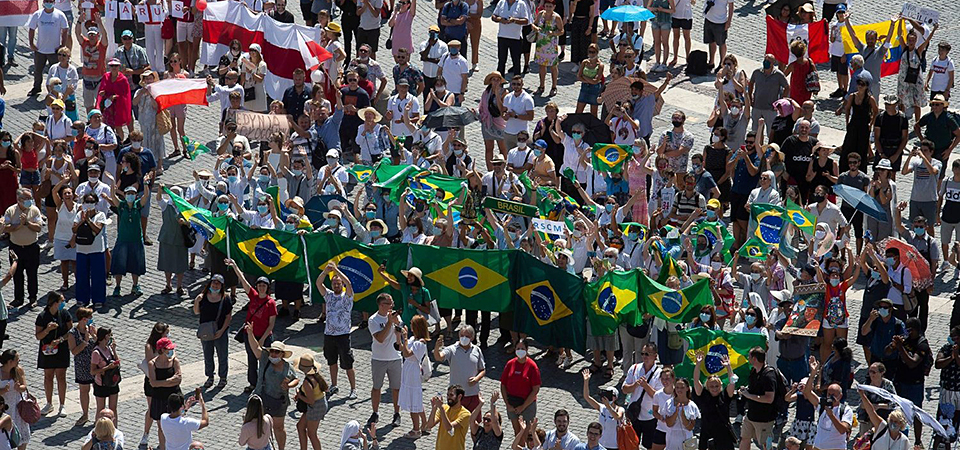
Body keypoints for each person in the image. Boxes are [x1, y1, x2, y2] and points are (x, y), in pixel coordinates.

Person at [225, 258, 278, 394]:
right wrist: (235, 266)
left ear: (267, 288)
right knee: (251, 360)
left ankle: (265, 384)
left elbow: (271, 324)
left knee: (265, 362)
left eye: (264, 285)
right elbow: (243, 280)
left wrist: (261, 340)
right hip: (250, 334)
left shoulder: (270, 303)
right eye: (259, 285)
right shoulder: (253, 296)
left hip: (264, 337)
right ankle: (253, 384)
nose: (261, 287)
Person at [246, 331, 298, 450]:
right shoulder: (265, 359)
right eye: (272, 351)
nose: (273, 354)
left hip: (279, 401)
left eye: (277, 352)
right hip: (261, 398)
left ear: (282, 354)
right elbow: (255, 347)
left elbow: (296, 379)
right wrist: (250, 333)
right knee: (258, 426)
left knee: (278, 428)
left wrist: (289, 385)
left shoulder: (287, 367)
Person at [317, 262, 357, 399]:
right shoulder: (328, 296)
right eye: (334, 283)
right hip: (329, 335)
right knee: (331, 361)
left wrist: (337, 271)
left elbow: (349, 284)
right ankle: (334, 385)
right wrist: (326, 271)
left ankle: (353, 389)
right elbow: (318, 283)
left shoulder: (347, 296)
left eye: (338, 283)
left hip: (343, 335)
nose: (336, 285)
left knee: (347, 363)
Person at [368, 293, 403, 428]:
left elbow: (400, 331)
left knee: (396, 388)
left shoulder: (395, 317)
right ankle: (375, 412)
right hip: (379, 359)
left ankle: (396, 413)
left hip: (395, 357)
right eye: (390, 303)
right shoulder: (373, 320)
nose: (392, 306)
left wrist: (400, 329)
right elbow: (380, 338)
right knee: (377, 387)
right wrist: (389, 323)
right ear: (382, 305)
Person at [433, 325, 486, 413]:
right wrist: (436, 348)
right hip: (456, 396)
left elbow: (482, 370)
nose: (464, 338)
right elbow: (439, 357)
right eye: (462, 336)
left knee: (475, 423)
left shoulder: (477, 350)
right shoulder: (451, 349)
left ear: (472, 337)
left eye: (467, 336)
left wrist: (476, 379)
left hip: (473, 394)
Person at [803, 359, 853, 450]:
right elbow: (807, 393)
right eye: (829, 394)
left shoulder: (846, 410)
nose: (831, 397)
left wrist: (831, 415)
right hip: (818, 447)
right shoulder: (822, 404)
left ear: (840, 396)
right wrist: (813, 374)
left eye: (834, 394)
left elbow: (842, 430)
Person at [4, 188, 41, 308]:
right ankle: (18, 299)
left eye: (30, 198)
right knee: (17, 274)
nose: (29, 201)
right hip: (16, 248)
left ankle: (32, 298)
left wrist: (27, 223)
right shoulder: (11, 210)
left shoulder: (34, 210)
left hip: (31, 247)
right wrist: (19, 225)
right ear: (19, 199)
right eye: (26, 198)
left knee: (32, 274)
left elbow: (39, 228)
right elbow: (6, 228)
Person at [692, 351, 736, 450]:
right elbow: (695, 380)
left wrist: (728, 367)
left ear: (720, 386)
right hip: (707, 434)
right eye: (711, 386)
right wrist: (698, 364)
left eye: (716, 386)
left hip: (723, 435)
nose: (714, 388)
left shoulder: (725, 395)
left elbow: (732, 382)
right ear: (707, 386)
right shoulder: (703, 394)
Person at [27, 0, 70, 97]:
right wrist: (31, 43)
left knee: (56, 71)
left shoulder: (60, 15)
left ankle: (56, 89)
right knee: (38, 71)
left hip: (54, 50)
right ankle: (36, 87)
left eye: (51, 1)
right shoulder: (37, 14)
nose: (49, 3)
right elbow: (32, 29)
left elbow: (65, 29)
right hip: (40, 50)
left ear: (54, 2)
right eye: (47, 1)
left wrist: (62, 45)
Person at [74, 191, 108, 308]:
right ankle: (82, 299)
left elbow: (98, 229)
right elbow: (74, 229)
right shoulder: (79, 215)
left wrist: (88, 221)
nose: (89, 204)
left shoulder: (101, 215)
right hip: (81, 250)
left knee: (98, 276)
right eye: (87, 202)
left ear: (96, 203)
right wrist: (82, 220)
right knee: (81, 276)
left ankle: (98, 299)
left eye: (91, 202)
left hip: (97, 250)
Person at [398, 315, 430, 437]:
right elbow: (402, 348)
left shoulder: (420, 343)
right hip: (408, 370)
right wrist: (399, 336)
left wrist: (405, 338)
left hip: (413, 371)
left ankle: (416, 430)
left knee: (413, 402)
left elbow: (406, 353)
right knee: (417, 400)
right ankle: (425, 423)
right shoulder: (413, 339)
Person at [739, 347, 776, 450]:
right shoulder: (754, 372)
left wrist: (748, 395)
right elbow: (754, 389)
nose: (748, 358)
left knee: (765, 444)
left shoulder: (768, 375)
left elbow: (769, 398)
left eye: (749, 357)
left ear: (754, 359)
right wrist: (745, 390)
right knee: (744, 438)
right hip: (750, 415)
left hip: (764, 418)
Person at [500, 339, 540, 433]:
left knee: (527, 433)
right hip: (512, 403)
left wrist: (523, 406)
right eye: (518, 348)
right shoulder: (510, 364)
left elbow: (535, 390)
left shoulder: (532, 366)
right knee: (517, 432)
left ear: (527, 349)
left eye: (522, 348)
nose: (520, 350)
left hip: (527, 405)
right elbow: (503, 385)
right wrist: (507, 404)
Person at [148, 337, 182, 450]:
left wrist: (161, 383)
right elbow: (153, 383)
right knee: (161, 426)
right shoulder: (152, 364)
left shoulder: (174, 361)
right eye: (168, 349)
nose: (170, 351)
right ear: (162, 350)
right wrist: (170, 381)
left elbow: (179, 380)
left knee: (176, 424)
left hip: (174, 397)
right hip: (160, 398)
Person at [67, 306, 96, 426]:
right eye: (89, 318)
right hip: (82, 364)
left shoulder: (92, 329)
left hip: (95, 363)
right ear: (83, 319)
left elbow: (100, 343)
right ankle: (85, 414)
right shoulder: (73, 333)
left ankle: (99, 414)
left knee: (98, 389)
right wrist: (85, 341)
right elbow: (73, 351)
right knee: (84, 390)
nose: (91, 320)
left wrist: (95, 336)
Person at [581, 370, 624, 449]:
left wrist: (608, 406)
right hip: (600, 445)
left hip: (614, 446)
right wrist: (586, 381)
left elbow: (618, 417)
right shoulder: (602, 407)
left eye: (612, 395)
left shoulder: (620, 409)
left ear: (616, 398)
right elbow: (587, 397)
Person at [293, 353, 328, 450]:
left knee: (312, 434)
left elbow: (311, 401)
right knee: (300, 426)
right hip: (319, 404)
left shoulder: (307, 382)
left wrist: (299, 395)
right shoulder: (316, 376)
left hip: (315, 407)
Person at [424, 385, 473, 450]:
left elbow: (449, 428)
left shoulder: (465, 414)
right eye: (447, 395)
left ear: (459, 397)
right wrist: (434, 408)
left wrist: (441, 408)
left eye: (451, 395)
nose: (448, 398)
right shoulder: (445, 408)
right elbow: (429, 425)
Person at [531, 0, 562, 96]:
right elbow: (533, 24)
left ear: (554, 7)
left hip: (551, 45)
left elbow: (561, 31)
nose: (548, 8)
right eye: (546, 6)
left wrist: (553, 33)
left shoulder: (556, 18)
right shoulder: (541, 14)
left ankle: (554, 86)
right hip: (541, 44)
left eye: (550, 6)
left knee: (553, 66)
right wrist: (536, 28)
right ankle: (541, 86)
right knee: (542, 65)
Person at [491, 0, 529, 77]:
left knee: (516, 61)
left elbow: (526, 21)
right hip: (502, 36)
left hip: (515, 38)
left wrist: (514, 20)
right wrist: (500, 19)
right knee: (501, 61)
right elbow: (493, 16)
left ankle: (517, 83)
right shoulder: (501, 2)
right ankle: (499, 82)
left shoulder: (521, 4)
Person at [873, 95, 909, 174]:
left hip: (895, 149)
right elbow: (876, 137)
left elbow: (904, 138)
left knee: (892, 175)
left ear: (896, 104)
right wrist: (881, 154)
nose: (887, 106)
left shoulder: (902, 118)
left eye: (890, 104)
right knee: (877, 174)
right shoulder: (880, 117)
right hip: (882, 148)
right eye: (886, 104)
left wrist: (897, 154)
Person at [90, 327, 119, 421]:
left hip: (112, 382)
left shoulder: (109, 349)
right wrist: (107, 368)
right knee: (101, 410)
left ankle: (114, 429)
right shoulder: (96, 352)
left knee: (113, 408)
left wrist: (114, 350)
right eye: (109, 335)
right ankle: (99, 430)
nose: (111, 338)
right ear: (105, 336)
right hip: (101, 383)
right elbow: (93, 371)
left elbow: (117, 362)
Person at [0, 350, 28, 449]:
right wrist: (3, 391)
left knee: (22, 438)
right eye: (16, 359)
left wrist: (19, 388)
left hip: (17, 407)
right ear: (9, 361)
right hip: (3, 408)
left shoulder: (18, 370)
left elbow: (24, 386)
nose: (18, 361)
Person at [702, 0, 732, 70]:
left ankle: (722, 63)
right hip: (709, 18)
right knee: (711, 41)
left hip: (720, 21)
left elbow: (731, 5)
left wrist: (729, 21)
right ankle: (711, 62)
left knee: (721, 43)